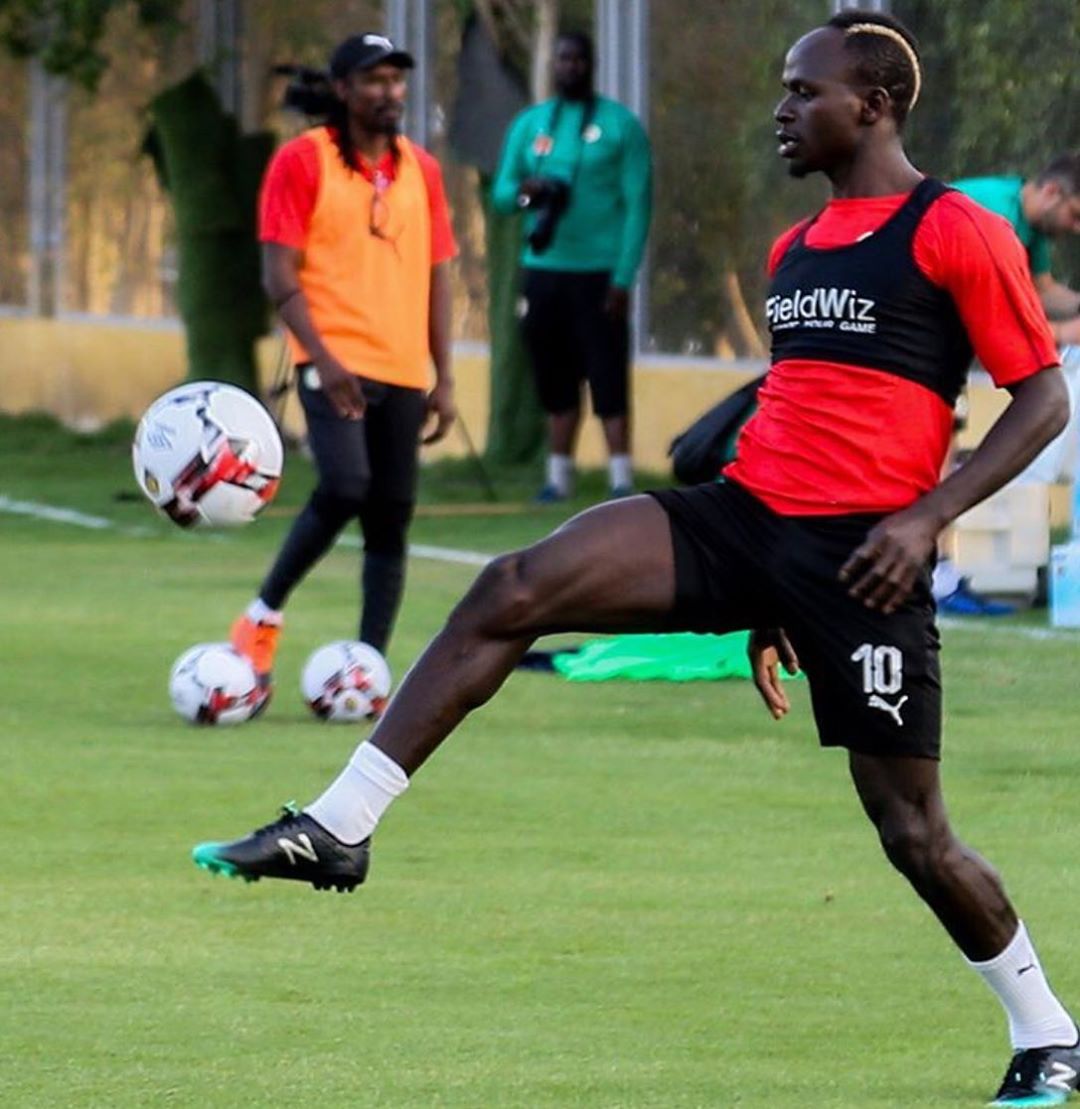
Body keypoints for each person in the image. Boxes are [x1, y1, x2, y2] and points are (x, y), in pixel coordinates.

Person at [194, 13, 1078, 1104]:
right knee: (511, 586)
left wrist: (925, 518)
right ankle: (338, 824)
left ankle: (1048, 1029)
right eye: (783, 92)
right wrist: (763, 593)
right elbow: (811, 419)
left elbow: (1040, 397)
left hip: (866, 562)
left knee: (914, 833)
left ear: (876, 104)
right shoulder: (793, 250)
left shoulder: (954, 229)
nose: (783, 111)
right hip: (743, 517)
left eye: (805, 92)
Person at [228, 33, 457, 707]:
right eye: (373, 80)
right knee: (348, 481)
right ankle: (262, 616)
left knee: (392, 515)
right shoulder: (303, 162)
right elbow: (279, 273)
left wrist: (445, 376)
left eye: (396, 79)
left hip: (403, 367)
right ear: (342, 90)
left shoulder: (424, 170)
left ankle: (369, 669)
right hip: (332, 359)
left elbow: (439, 277)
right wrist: (323, 361)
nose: (389, 92)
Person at [491, 30, 652, 502]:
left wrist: (624, 277)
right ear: (553, 65)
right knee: (553, 373)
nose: (570, 67)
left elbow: (638, 204)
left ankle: (620, 477)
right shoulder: (531, 125)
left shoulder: (621, 126)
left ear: (591, 64)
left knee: (606, 372)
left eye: (579, 59)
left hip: (601, 272)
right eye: (563, 59)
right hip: (543, 269)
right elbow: (503, 196)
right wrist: (530, 191)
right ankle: (558, 476)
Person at [953, 157, 1080, 347]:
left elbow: (1042, 290)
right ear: (1051, 191)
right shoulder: (995, 217)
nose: (1077, 228)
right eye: (1075, 215)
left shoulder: (1031, 221)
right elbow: (991, 321)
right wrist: (1061, 333)